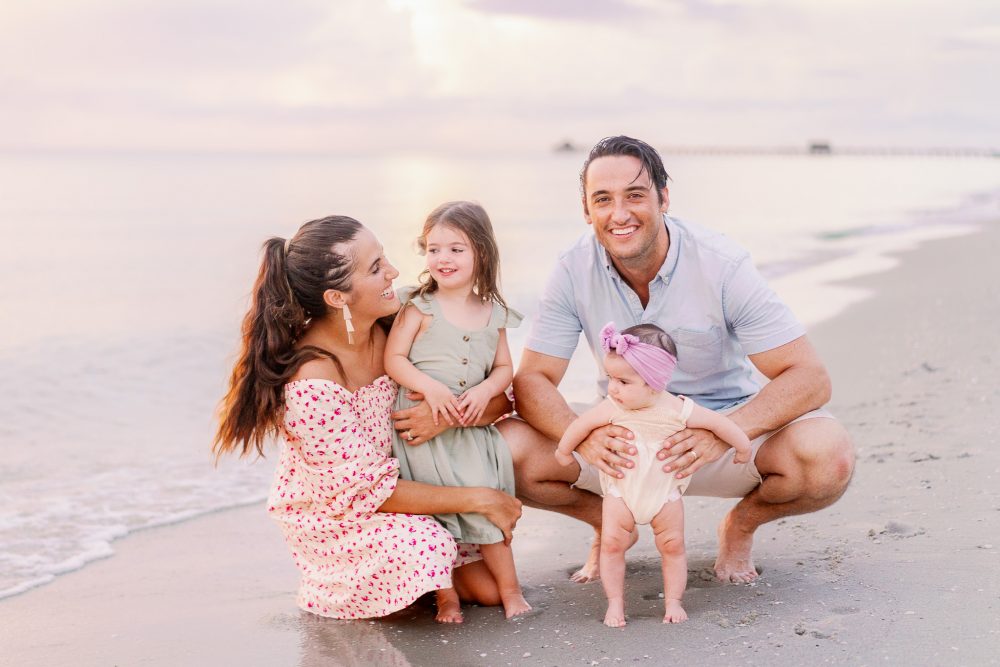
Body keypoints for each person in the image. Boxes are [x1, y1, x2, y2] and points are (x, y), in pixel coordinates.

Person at [511, 135, 855, 585]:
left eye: (635, 195)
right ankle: (608, 522)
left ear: (663, 197)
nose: (619, 214)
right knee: (508, 452)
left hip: (722, 435)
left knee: (829, 459)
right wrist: (583, 440)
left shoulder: (722, 264)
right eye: (603, 200)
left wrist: (724, 433)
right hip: (624, 440)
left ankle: (740, 526)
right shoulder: (573, 268)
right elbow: (533, 378)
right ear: (586, 210)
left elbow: (811, 378)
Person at [212, 214, 521, 620]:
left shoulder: (402, 321)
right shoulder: (312, 382)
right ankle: (369, 581)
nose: (394, 272)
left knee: (489, 592)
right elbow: (365, 493)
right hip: (347, 518)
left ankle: (434, 574)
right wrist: (480, 499)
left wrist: (447, 418)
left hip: (421, 482)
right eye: (376, 268)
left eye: (385, 259)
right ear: (337, 298)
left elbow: (502, 400)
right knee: (424, 548)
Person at [385, 201, 530, 622]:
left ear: (481, 253)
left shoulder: (493, 312)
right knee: (433, 520)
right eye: (434, 249)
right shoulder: (419, 306)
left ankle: (511, 590)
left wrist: (487, 389)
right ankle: (445, 596)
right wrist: (428, 386)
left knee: (487, 505)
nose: (442, 259)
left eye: (456, 249)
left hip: (466, 432)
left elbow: (504, 367)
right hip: (419, 430)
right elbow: (395, 359)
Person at [555, 322, 751, 626]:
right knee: (612, 546)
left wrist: (742, 447)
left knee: (673, 547)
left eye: (623, 381)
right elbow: (579, 427)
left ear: (653, 382)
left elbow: (719, 425)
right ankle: (615, 604)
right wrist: (564, 450)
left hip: (665, 496)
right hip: (621, 493)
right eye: (610, 378)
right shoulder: (612, 408)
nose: (613, 388)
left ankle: (673, 602)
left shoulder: (678, 409)